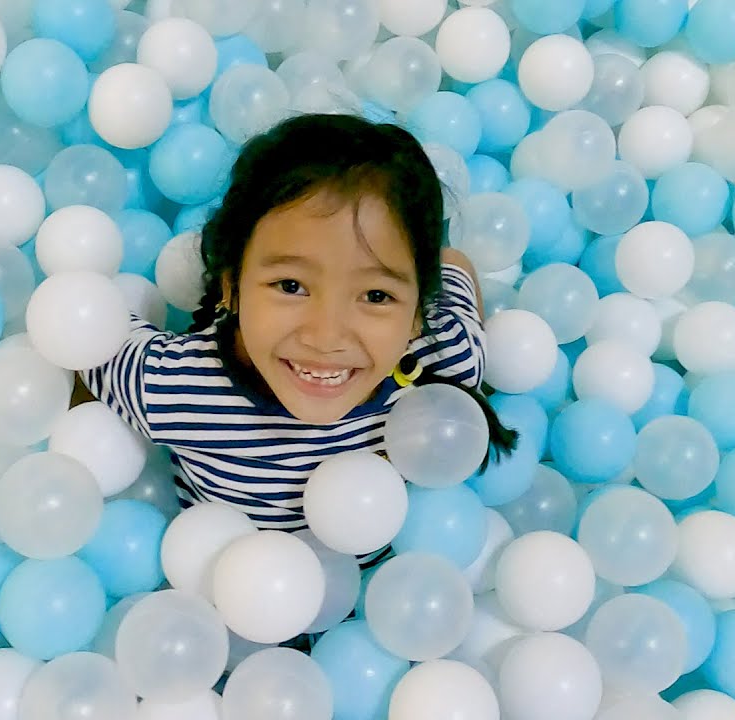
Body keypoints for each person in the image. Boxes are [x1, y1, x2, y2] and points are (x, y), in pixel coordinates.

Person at [78, 112, 519, 545]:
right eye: (291, 286)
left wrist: (449, 265)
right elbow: (85, 337)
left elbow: (455, 271)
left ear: (417, 315)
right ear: (231, 285)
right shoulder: (174, 386)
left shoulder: (441, 370)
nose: (326, 337)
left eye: (376, 296)